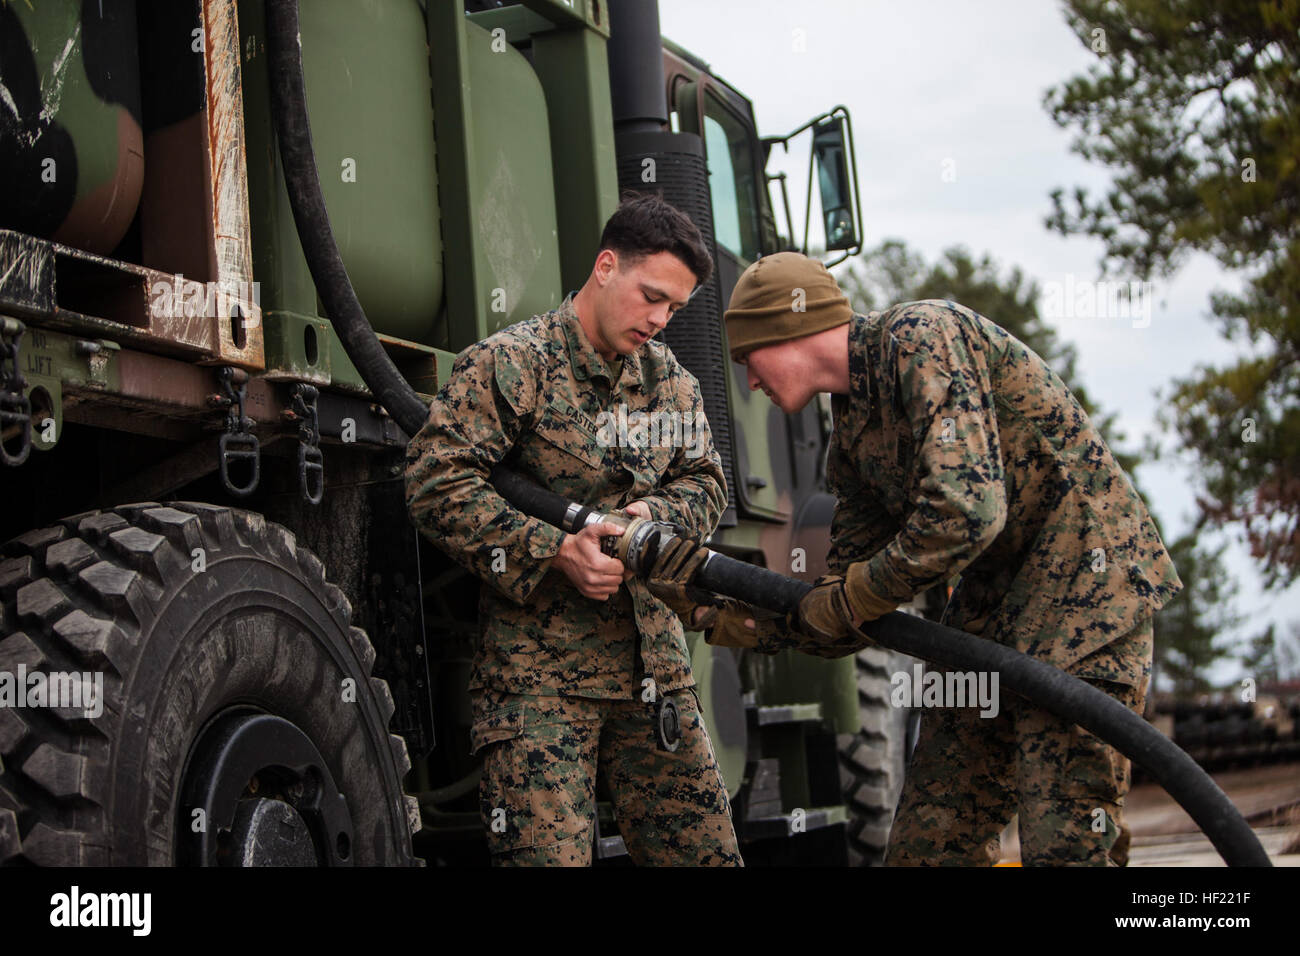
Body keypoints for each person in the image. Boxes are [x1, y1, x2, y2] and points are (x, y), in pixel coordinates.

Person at [709, 251, 1182, 866]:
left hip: (1086, 604)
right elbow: (845, 598)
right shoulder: (851, 429)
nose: (750, 382)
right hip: (990, 617)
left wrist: (853, 596)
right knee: (929, 847)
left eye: (750, 358)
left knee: (1066, 848)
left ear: (787, 329)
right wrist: (725, 617)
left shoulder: (922, 336)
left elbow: (969, 512)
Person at [403, 194, 741, 866]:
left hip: (655, 675)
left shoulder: (671, 386)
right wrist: (554, 551)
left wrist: (655, 517)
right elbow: (434, 479)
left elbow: (708, 483)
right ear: (607, 265)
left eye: (674, 308)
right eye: (651, 296)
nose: (659, 319)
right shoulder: (513, 364)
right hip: (540, 687)